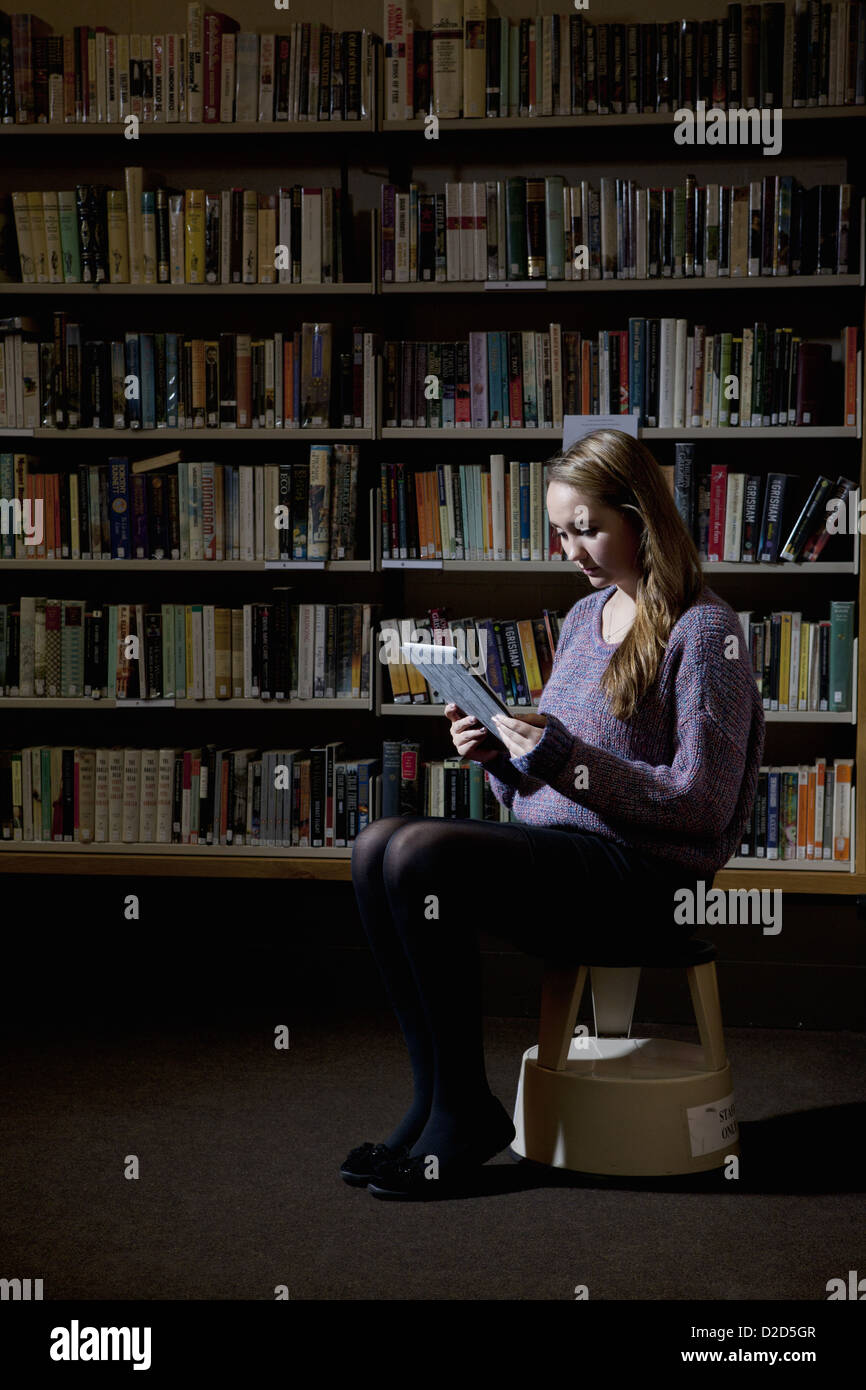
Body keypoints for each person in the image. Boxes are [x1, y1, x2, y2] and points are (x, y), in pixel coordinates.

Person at [342, 428, 765, 1200]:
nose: (571, 548)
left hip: (645, 880)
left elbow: (701, 804)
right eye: (561, 531)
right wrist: (501, 756)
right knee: (376, 846)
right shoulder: (583, 618)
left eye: (588, 528)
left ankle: (464, 1114)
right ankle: (437, 1101)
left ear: (642, 517)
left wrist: (564, 757)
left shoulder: (705, 632)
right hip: (566, 860)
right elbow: (545, 786)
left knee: (415, 855)